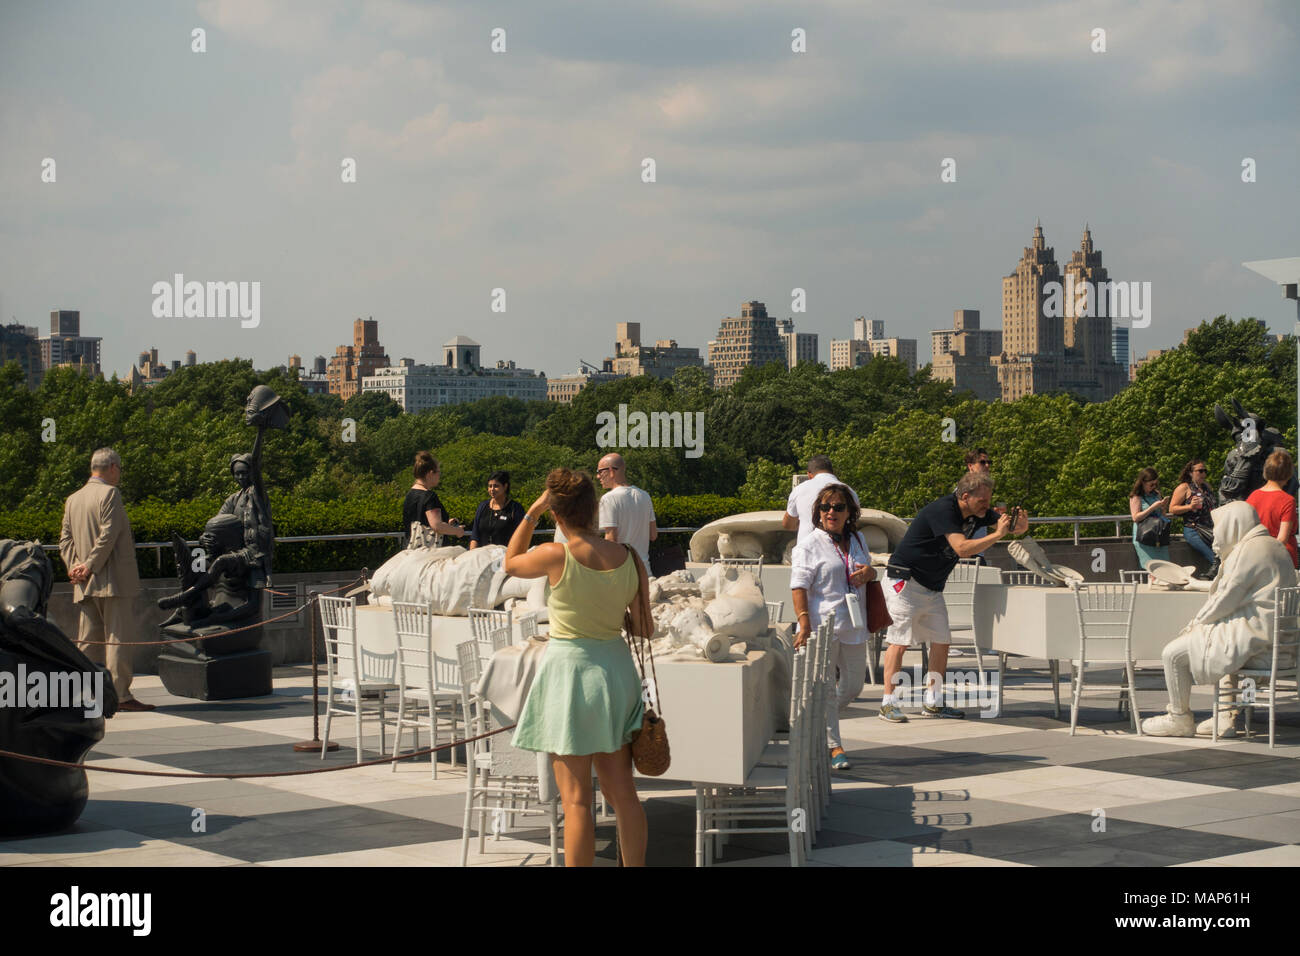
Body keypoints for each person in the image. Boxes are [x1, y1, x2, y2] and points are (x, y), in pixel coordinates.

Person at [505, 468, 648, 867]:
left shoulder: (557, 554)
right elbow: (641, 625)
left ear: (557, 512)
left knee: (577, 801)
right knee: (624, 796)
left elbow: (511, 563)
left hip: (571, 675)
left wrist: (532, 512)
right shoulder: (627, 557)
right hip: (617, 672)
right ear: (595, 508)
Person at [877, 472, 1028, 723]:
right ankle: (887, 703)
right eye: (983, 501)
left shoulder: (977, 511)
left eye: (989, 501)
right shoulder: (943, 510)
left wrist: (1018, 526)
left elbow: (1004, 525)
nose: (987, 506)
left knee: (941, 640)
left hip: (932, 586)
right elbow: (961, 548)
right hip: (904, 582)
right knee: (899, 641)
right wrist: (999, 534)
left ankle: (933, 702)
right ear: (965, 496)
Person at [1141, 501, 1294, 737]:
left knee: (1173, 653)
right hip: (1280, 641)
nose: (1216, 534)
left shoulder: (1251, 550)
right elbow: (1237, 590)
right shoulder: (1273, 546)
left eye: (1219, 527)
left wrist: (1196, 622)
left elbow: (1226, 598)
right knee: (1221, 641)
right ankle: (1225, 718)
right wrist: (1196, 585)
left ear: (1233, 524)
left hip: (1259, 644)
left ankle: (1179, 718)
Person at [59, 448, 151, 712]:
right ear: (112, 467)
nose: (119, 474)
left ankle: (87, 693)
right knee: (117, 639)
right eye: (119, 468)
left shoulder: (73, 499)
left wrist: (75, 567)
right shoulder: (110, 493)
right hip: (112, 581)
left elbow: (65, 539)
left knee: (89, 641)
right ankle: (120, 696)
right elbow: (108, 534)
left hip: (86, 583)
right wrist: (88, 566)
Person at [790, 483, 874, 770]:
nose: (831, 512)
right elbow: (798, 586)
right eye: (825, 507)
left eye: (838, 507)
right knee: (825, 688)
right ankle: (834, 745)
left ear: (849, 511)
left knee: (853, 687)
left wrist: (869, 572)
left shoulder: (859, 538)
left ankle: (815, 721)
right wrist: (803, 623)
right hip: (823, 625)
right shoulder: (809, 545)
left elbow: (869, 569)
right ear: (818, 513)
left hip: (854, 622)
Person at [594, 453, 657, 570]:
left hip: (623, 571)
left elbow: (611, 540)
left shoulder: (608, 499)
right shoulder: (644, 496)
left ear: (611, 471)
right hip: (644, 569)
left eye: (600, 471)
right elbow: (653, 535)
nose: (598, 476)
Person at [783, 454, 860, 545]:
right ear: (832, 472)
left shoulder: (799, 490)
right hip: (840, 550)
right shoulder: (850, 492)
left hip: (808, 550)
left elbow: (788, 524)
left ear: (809, 475)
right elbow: (853, 523)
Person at [1247, 450, 1299, 569]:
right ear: (1288, 473)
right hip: (1282, 560)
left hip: (1256, 556)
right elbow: (1282, 539)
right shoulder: (1288, 500)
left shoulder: (1252, 497)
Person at [1170, 459, 1219, 579]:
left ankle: (1212, 578)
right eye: (1200, 471)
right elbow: (1172, 508)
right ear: (1191, 473)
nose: (1203, 474)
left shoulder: (1207, 486)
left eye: (1205, 471)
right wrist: (1190, 506)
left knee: (1222, 555)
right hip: (1193, 529)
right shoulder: (1184, 488)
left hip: (1210, 529)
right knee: (1215, 559)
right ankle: (1211, 579)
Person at [403, 451, 466, 542]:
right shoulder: (429, 496)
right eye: (438, 472)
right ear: (430, 474)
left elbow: (422, 521)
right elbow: (437, 526)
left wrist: (447, 523)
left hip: (410, 548)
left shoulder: (410, 494)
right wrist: (457, 531)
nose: (439, 476)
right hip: (429, 552)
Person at [468, 470, 527, 549]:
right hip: (482, 556)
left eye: (496, 486)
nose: (492, 489)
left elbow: (521, 537)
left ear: (505, 486)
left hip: (504, 556)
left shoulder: (515, 508)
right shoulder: (482, 506)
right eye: (490, 486)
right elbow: (475, 536)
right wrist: (473, 555)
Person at [1129, 468, 1171, 570]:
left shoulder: (1156, 494)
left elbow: (1162, 515)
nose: (1154, 487)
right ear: (1143, 482)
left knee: (1165, 566)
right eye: (1151, 484)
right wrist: (1152, 507)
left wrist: (1163, 506)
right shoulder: (1136, 497)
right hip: (1144, 535)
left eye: (1155, 484)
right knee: (1151, 567)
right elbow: (1135, 517)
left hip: (1158, 535)